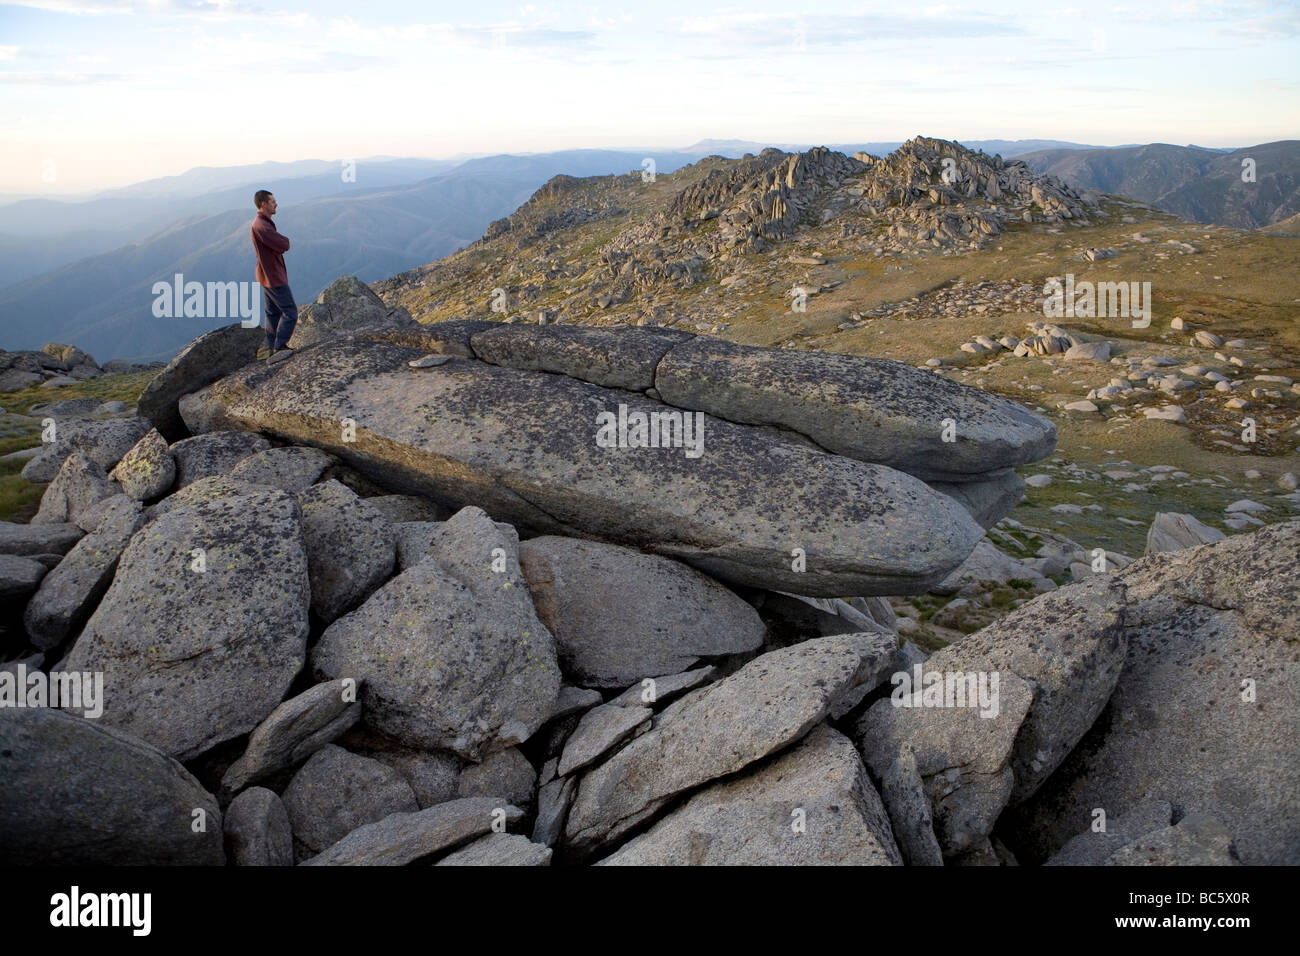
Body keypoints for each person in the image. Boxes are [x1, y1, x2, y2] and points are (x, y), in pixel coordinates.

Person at [250, 190, 297, 362]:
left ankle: (270, 347)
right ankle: (279, 347)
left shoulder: (261, 223)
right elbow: (283, 244)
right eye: (272, 201)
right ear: (263, 204)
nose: (276, 204)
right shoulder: (262, 226)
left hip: (266, 274)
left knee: (272, 313)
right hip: (273, 276)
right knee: (290, 312)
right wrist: (286, 241)